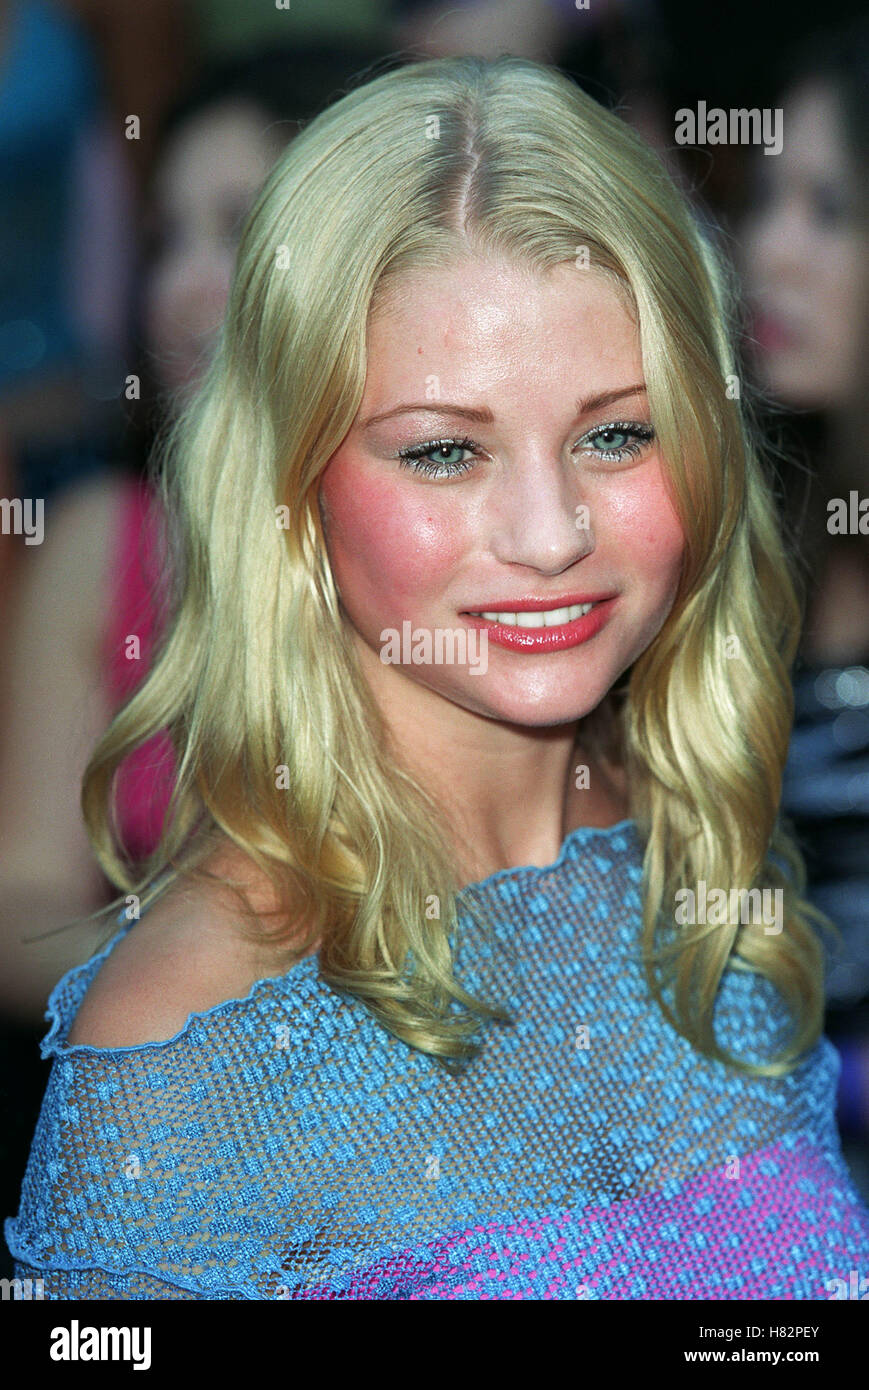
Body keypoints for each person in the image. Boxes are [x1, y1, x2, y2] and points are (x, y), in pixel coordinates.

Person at [5, 53, 869, 1300]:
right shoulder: (190, 1035)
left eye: (615, 433)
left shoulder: (694, 841)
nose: (549, 531)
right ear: (292, 487)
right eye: (445, 450)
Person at [739, 17, 869, 1178]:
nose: (770, 250)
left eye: (827, 212)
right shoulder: (742, 516)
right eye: (767, 198)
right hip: (748, 1160)